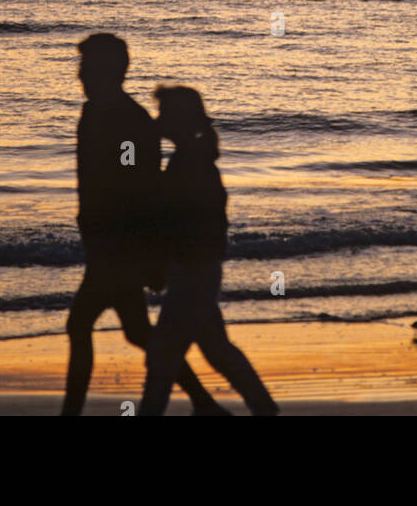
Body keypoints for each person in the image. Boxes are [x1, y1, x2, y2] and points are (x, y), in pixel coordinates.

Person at [62, 33, 226, 415]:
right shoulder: (97, 113)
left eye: (86, 67)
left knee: (80, 323)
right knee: (138, 331)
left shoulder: (126, 121)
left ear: (108, 72)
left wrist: (145, 251)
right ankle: (205, 403)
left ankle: (70, 413)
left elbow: (137, 183)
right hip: (106, 241)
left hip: (118, 245)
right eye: (81, 66)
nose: (79, 75)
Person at [139, 85, 278, 416]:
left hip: (193, 270)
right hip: (197, 270)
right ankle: (263, 408)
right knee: (216, 350)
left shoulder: (191, 164)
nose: (159, 121)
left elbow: (194, 223)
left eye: (165, 115)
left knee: (162, 354)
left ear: (181, 120)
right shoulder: (192, 159)